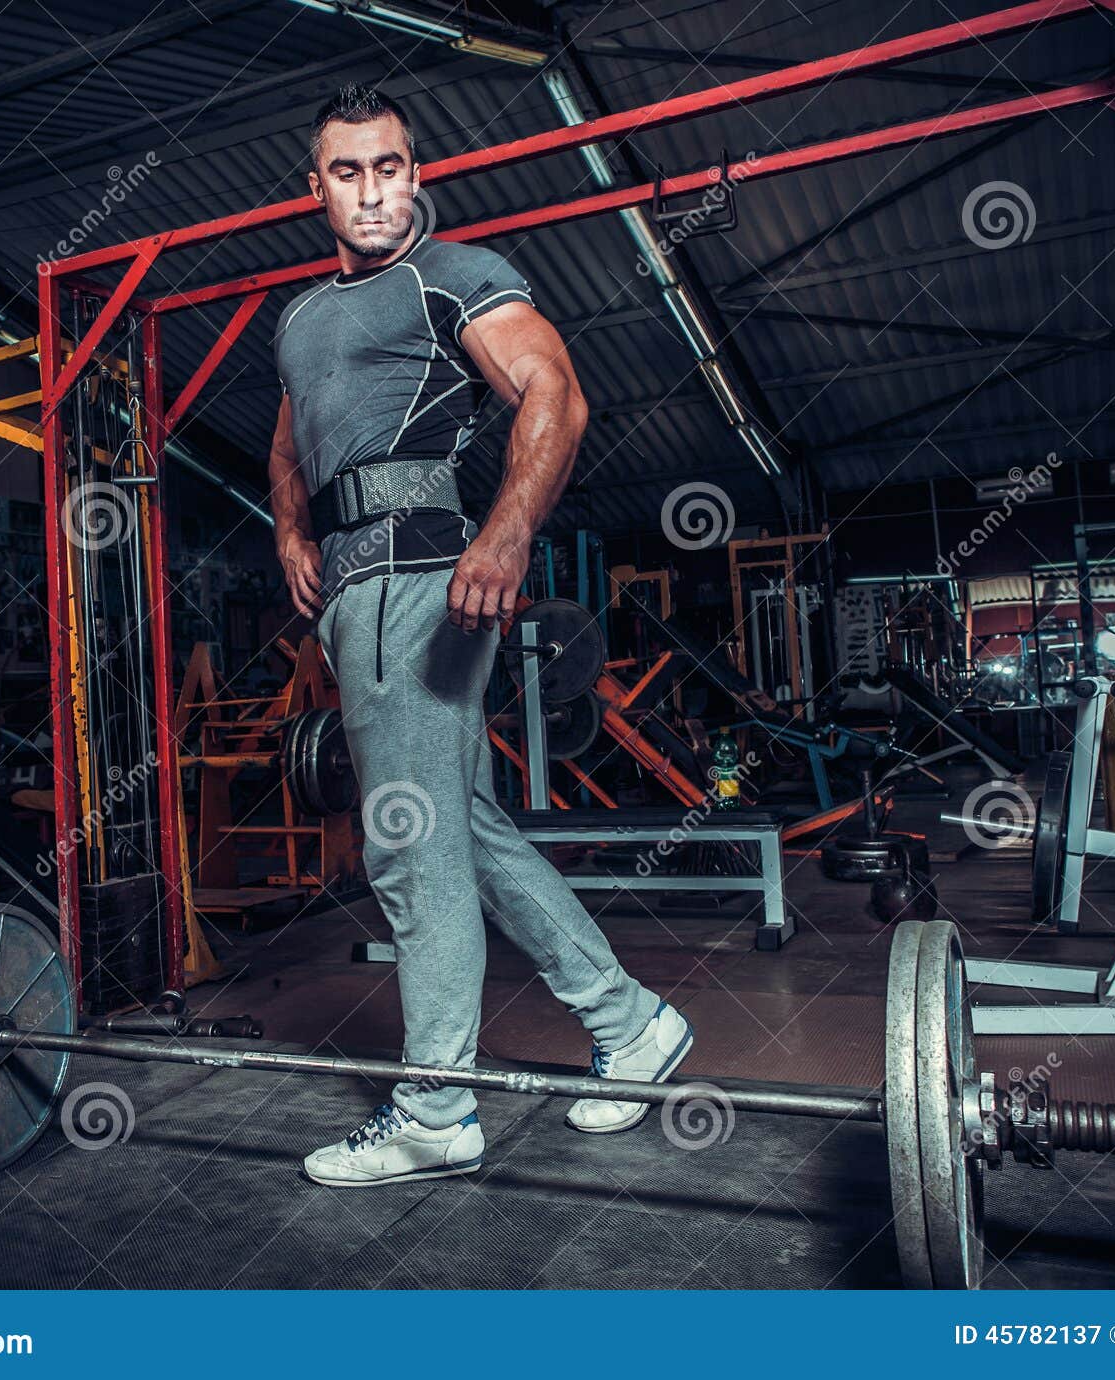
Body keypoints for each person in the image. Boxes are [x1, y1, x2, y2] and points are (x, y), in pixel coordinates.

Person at [268, 85, 693, 1187]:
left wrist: (504, 534)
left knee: (408, 846)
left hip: (423, 573)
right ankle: (632, 1025)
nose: (373, 190)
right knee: (466, 830)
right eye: (348, 171)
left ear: (418, 173)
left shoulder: (453, 277)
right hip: (352, 590)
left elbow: (555, 392)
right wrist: (286, 533)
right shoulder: (302, 317)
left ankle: (436, 1108)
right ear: (314, 188)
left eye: (391, 167)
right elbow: (288, 440)